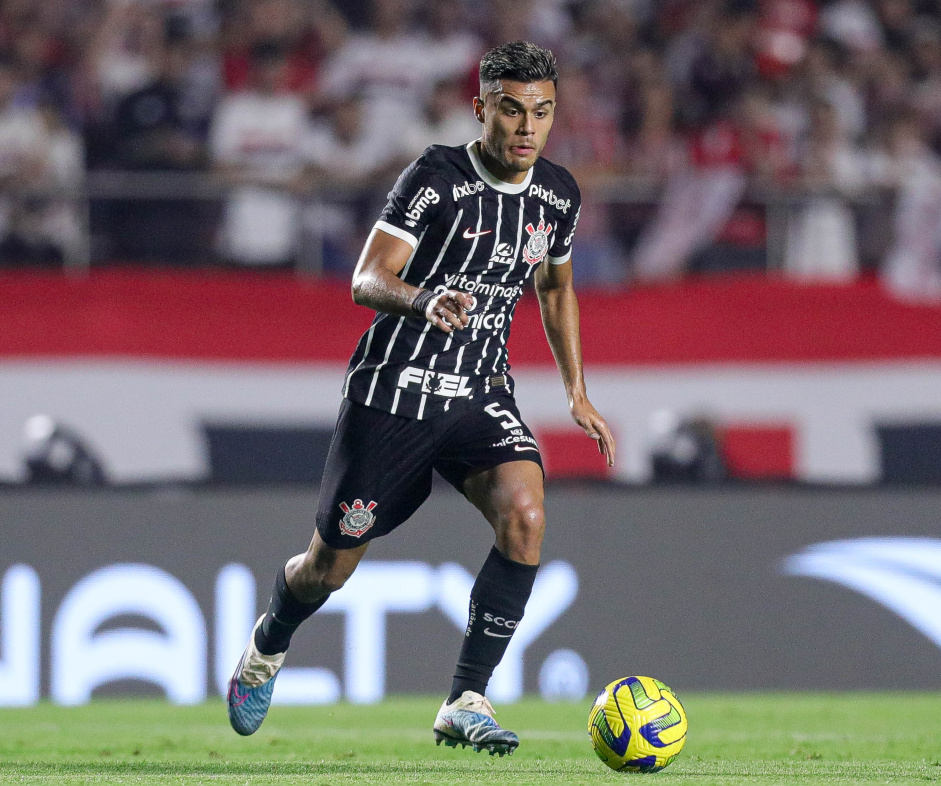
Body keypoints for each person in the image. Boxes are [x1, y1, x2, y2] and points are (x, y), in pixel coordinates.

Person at [226, 40, 615, 756]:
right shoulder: (435, 176)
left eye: (542, 112)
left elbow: (554, 285)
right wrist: (422, 298)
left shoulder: (557, 193)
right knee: (329, 566)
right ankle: (268, 643)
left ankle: (465, 698)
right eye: (511, 110)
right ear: (480, 109)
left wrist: (575, 391)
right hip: (394, 391)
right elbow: (366, 279)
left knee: (525, 517)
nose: (527, 127)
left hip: (478, 392)